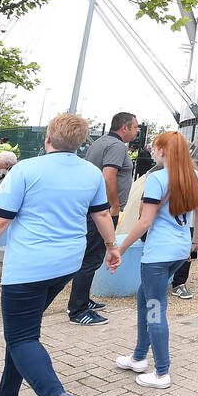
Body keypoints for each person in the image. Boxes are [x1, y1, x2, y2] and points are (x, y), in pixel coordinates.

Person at [0, 113, 120, 396]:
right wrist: (112, 247)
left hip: (29, 267)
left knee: (21, 337)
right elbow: (102, 213)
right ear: (81, 143)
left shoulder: (26, 170)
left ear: (48, 138)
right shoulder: (90, 172)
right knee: (24, 333)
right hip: (66, 265)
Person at [113, 131, 198, 389]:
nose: (152, 152)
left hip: (158, 255)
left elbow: (145, 221)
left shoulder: (157, 179)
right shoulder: (194, 176)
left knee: (155, 309)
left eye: (154, 148)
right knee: (145, 298)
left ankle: (162, 372)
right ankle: (139, 357)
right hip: (179, 250)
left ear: (163, 151)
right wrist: (195, 244)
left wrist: (120, 247)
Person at [68, 111, 138, 326]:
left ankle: (83, 300)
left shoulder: (100, 142)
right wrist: (113, 206)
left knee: (91, 255)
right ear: (124, 128)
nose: (137, 131)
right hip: (103, 210)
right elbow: (108, 175)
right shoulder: (117, 147)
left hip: (92, 207)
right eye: (135, 127)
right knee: (92, 258)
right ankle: (78, 310)